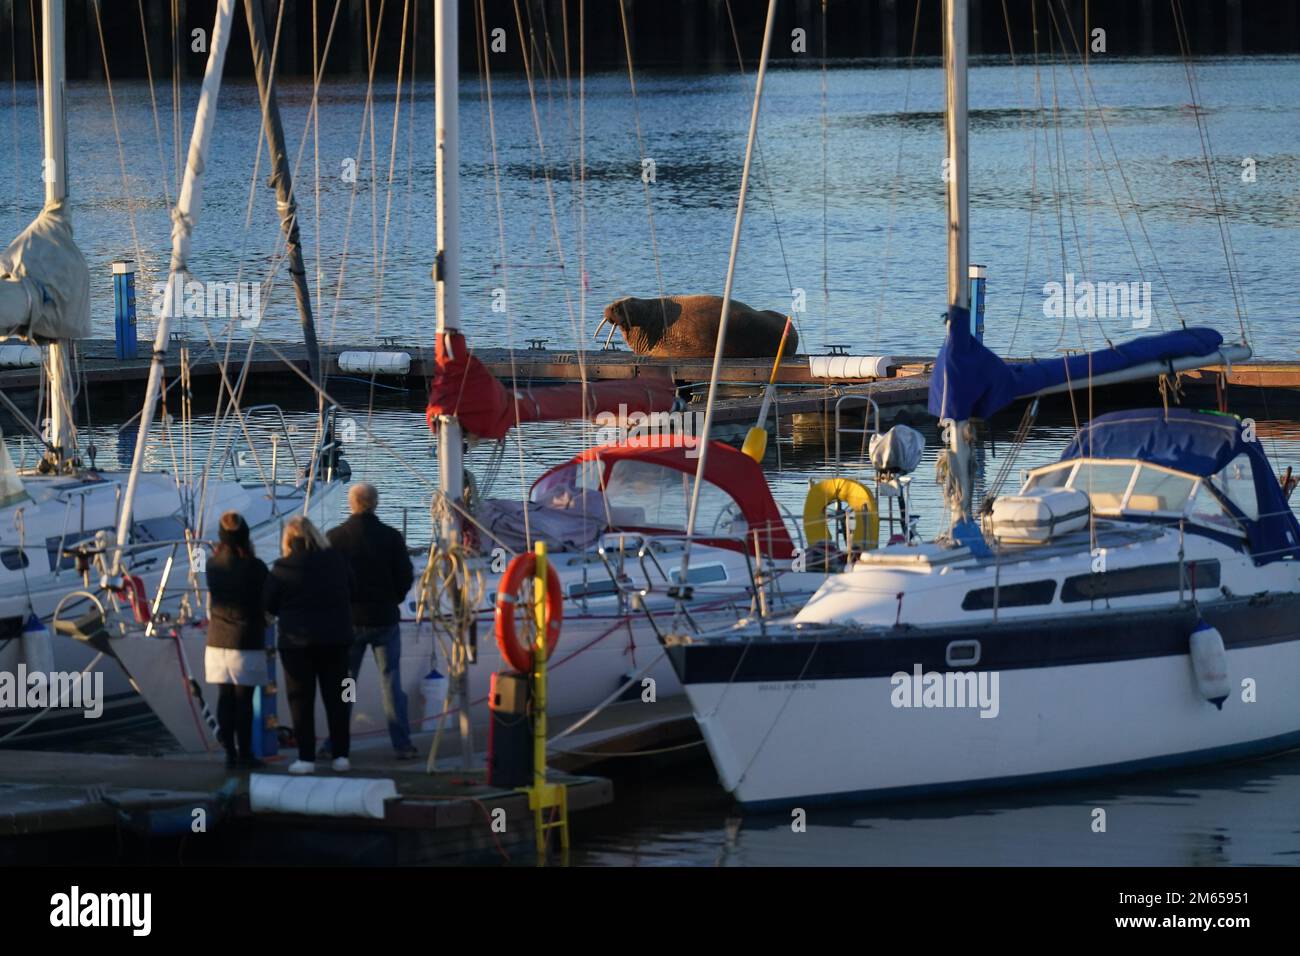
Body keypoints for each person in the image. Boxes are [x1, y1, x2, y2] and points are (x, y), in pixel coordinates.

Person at [323, 483, 416, 758]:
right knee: (390, 684)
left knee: (347, 684)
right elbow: (405, 576)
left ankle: (336, 745)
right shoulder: (392, 537)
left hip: (348, 622)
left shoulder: (335, 537)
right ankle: (402, 744)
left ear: (351, 504)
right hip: (384, 619)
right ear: (375, 503)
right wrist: (393, 599)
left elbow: (327, 581)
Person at [264, 516, 354, 774]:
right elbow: (353, 588)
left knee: (301, 700)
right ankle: (341, 755)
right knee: (340, 698)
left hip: (296, 643)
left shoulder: (282, 567)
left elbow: (268, 603)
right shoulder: (336, 561)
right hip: (337, 640)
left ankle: (306, 757)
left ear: (288, 540)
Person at [204, 511, 270, 768]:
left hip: (217, 637)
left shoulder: (212, 565)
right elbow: (265, 598)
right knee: (244, 700)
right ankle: (245, 753)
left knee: (225, 697)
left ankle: (229, 752)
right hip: (246, 638)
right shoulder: (256, 567)